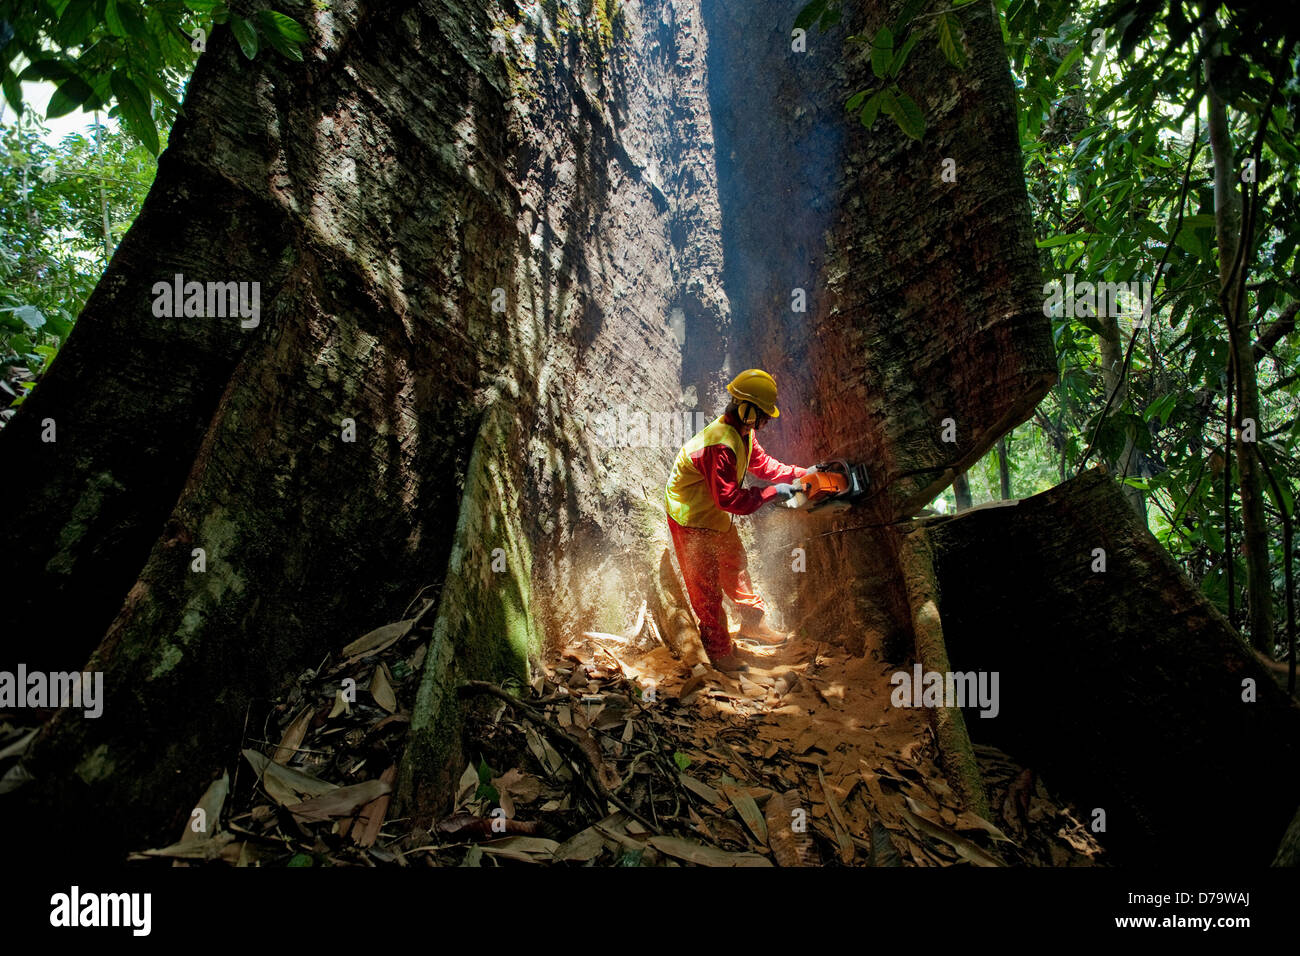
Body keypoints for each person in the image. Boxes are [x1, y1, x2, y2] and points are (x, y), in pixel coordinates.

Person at [664, 369, 809, 673]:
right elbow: (729, 499)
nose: (766, 422)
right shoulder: (720, 445)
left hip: (712, 512)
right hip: (690, 516)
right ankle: (718, 651)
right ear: (745, 408)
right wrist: (770, 493)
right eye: (763, 415)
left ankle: (753, 625)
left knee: (735, 563)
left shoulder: (744, 433)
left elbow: (762, 464)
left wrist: (798, 473)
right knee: (705, 585)